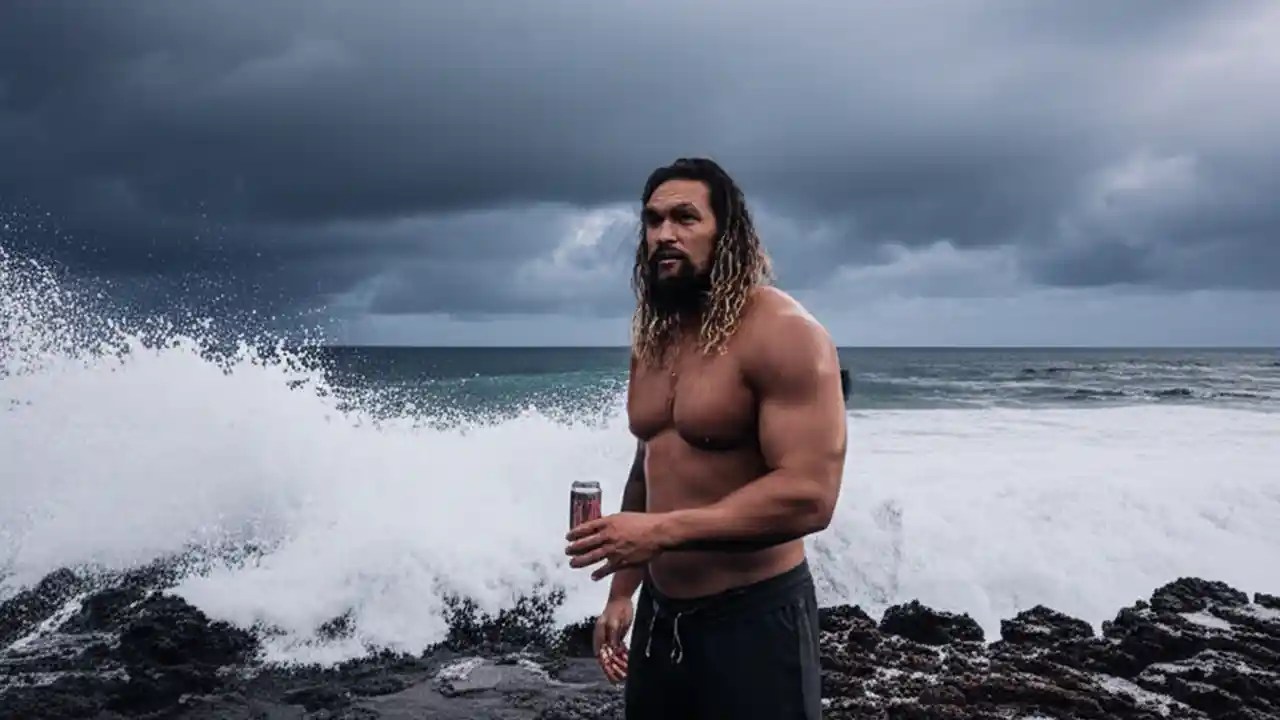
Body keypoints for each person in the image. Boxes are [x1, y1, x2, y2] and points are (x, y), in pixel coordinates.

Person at [565, 157, 848, 719]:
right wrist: (623, 592)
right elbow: (651, 462)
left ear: (728, 233)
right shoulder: (653, 335)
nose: (664, 234)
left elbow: (811, 494)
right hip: (660, 620)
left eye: (684, 218)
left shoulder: (786, 334)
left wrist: (661, 533)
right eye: (652, 220)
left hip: (755, 620)